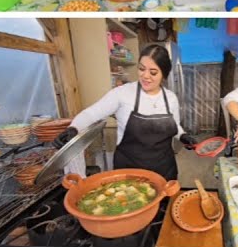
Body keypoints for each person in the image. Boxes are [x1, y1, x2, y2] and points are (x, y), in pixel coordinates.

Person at [54, 45, 198, 181]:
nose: (145, 76)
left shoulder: (170, 98)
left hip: (164, 170)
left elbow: (174, 126)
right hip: (129, 173)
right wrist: (74, 128)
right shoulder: (122, 94)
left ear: (164, 75)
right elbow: (91, 113)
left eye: (153, 72)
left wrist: (183, 136)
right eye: (141, 69)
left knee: (163, 206)